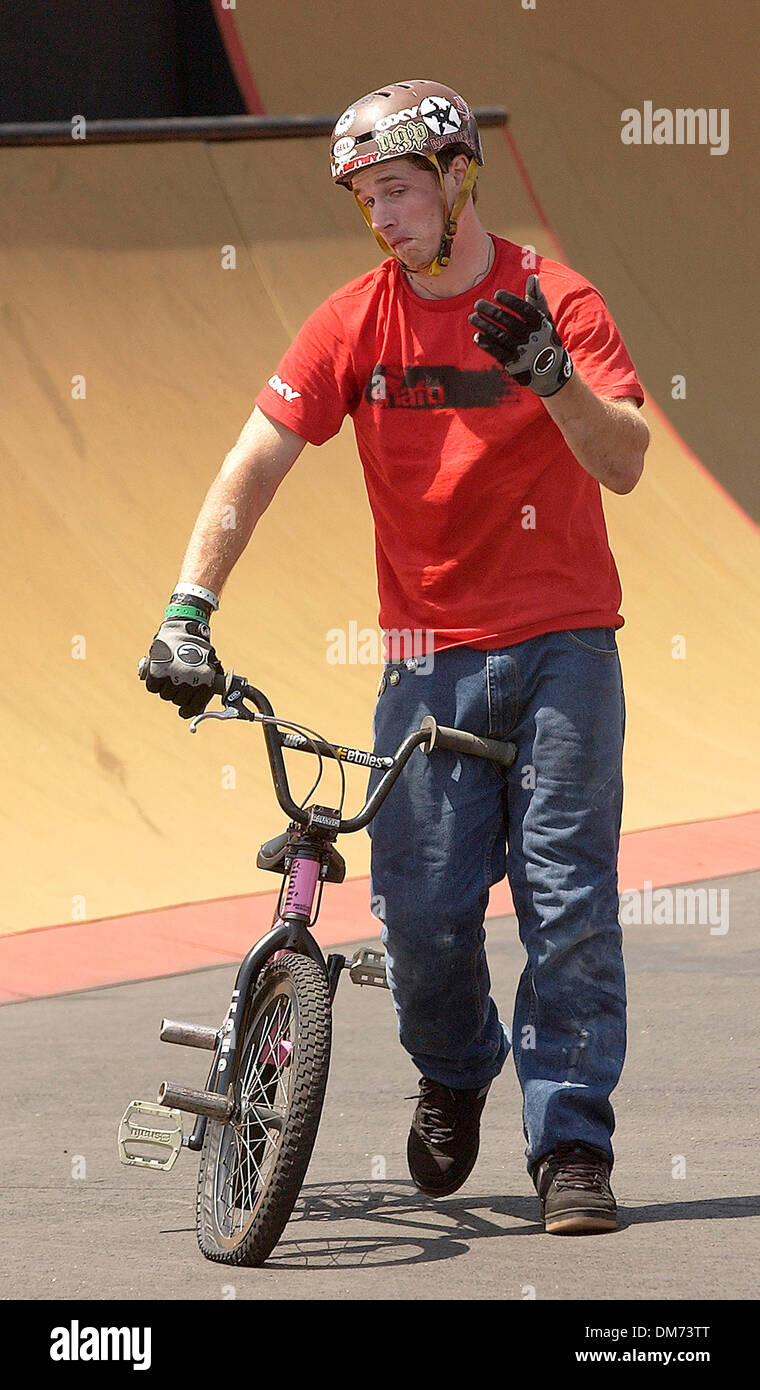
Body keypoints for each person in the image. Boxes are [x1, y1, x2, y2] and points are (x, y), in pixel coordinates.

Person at [143, 79, 649, 1235]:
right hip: (426, 655)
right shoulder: (353, 321)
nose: (382, 214)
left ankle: (570, 1145)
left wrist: (553, 381)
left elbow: (622, 460)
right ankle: (458, 1063)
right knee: (418, 915)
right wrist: (188, 605)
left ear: (461, 173)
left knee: (567, 906)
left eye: (400, 186)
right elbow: (256, 458)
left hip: (565, 642)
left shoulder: (555, 297)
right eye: (366, 194)